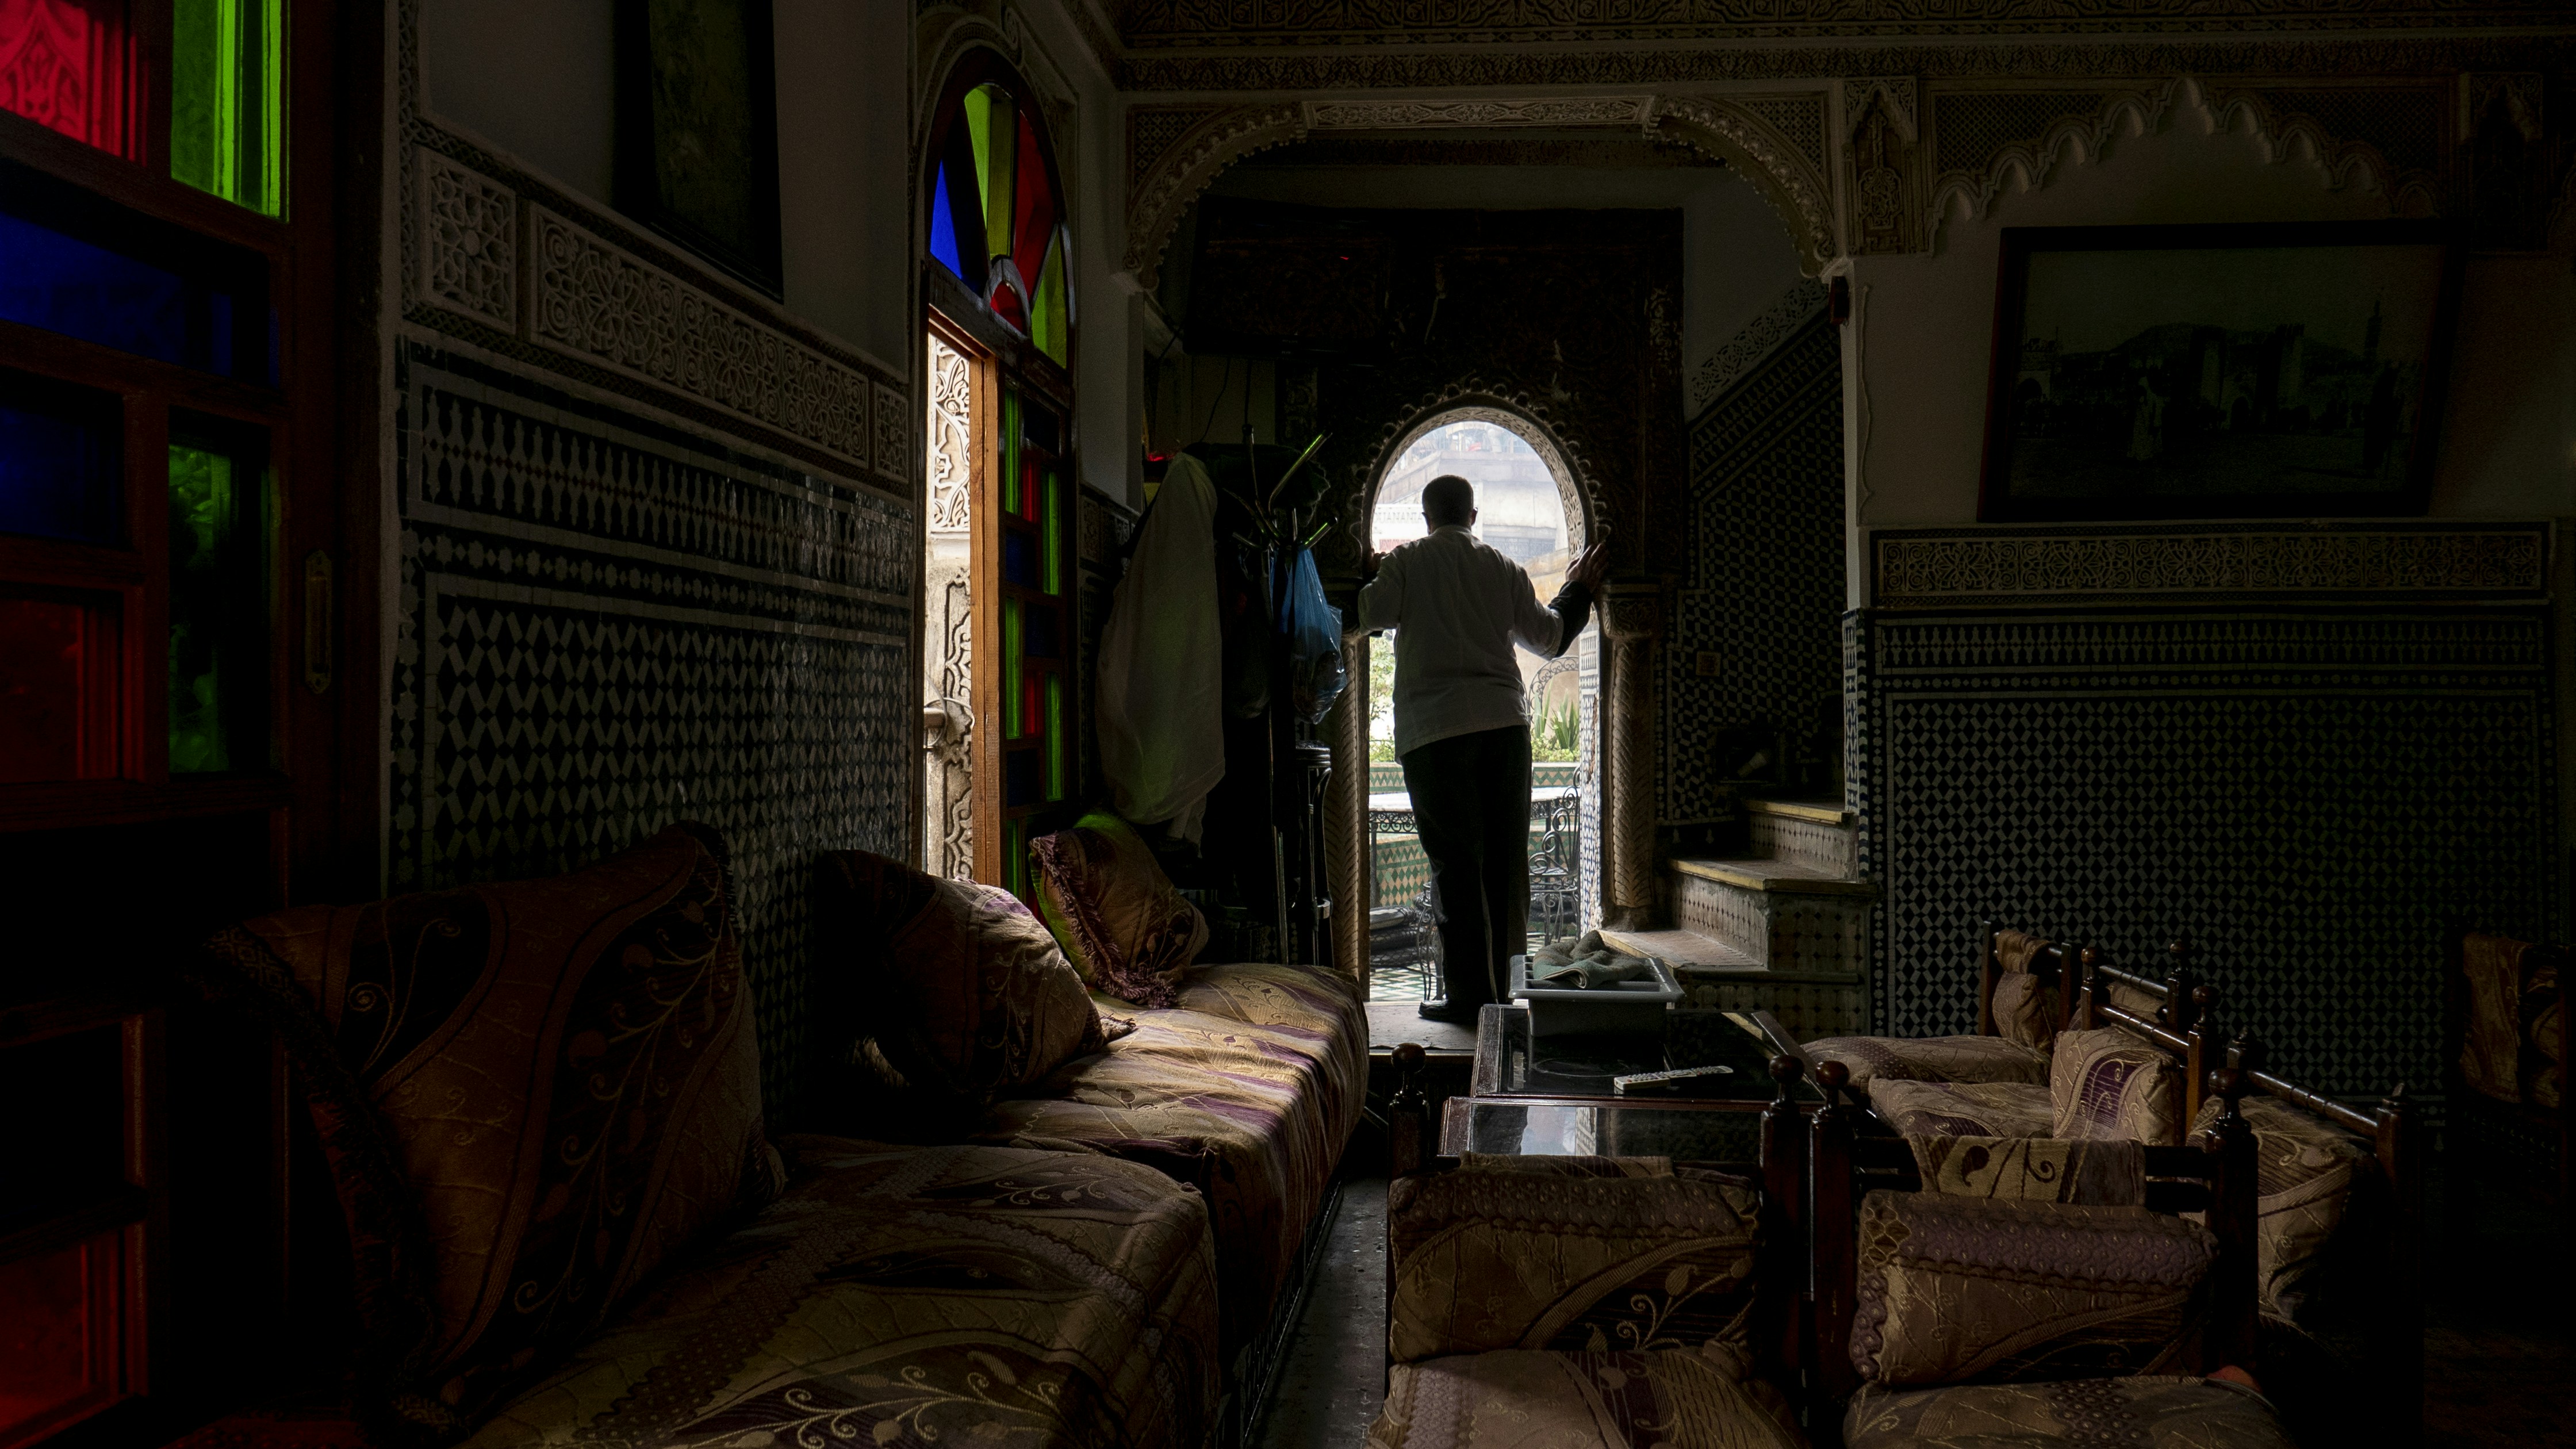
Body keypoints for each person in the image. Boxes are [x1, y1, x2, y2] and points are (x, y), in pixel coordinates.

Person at [1357, 474, 1610, 1022]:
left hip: (1435, 736)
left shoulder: (1408, 564)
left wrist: (1372, 572)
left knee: (1456, 868)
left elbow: (1370, 615)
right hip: (1503, 731)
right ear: (1474, 515)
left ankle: (1471, 998)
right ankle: (1511, 995)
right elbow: (1549, 636)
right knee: (1505, 868)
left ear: (1427, 519)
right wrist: (1578, 589)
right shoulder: (1502, 567)